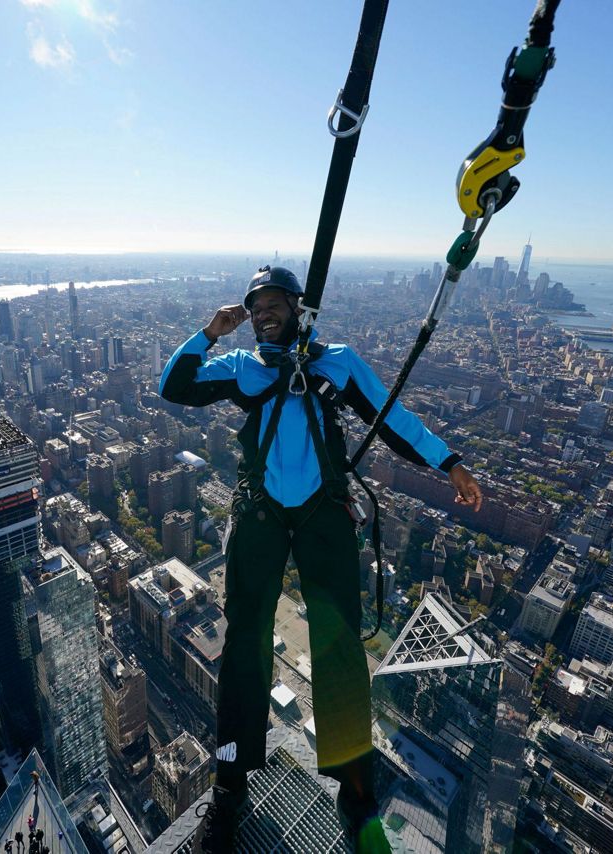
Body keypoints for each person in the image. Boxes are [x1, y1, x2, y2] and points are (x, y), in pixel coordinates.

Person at [159, 266, 482, 852]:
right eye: (254, 306)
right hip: (259, 511)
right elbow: (174, 386)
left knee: (340, 649)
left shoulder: (338, 362)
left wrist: (449, 461)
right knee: (243, 648)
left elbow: (391, 420)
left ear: (298, 307)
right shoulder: (243, 368)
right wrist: (208, 332)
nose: (261, 313)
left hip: (323, 512)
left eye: (272, 302)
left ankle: (356, 799)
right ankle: (231, 787)